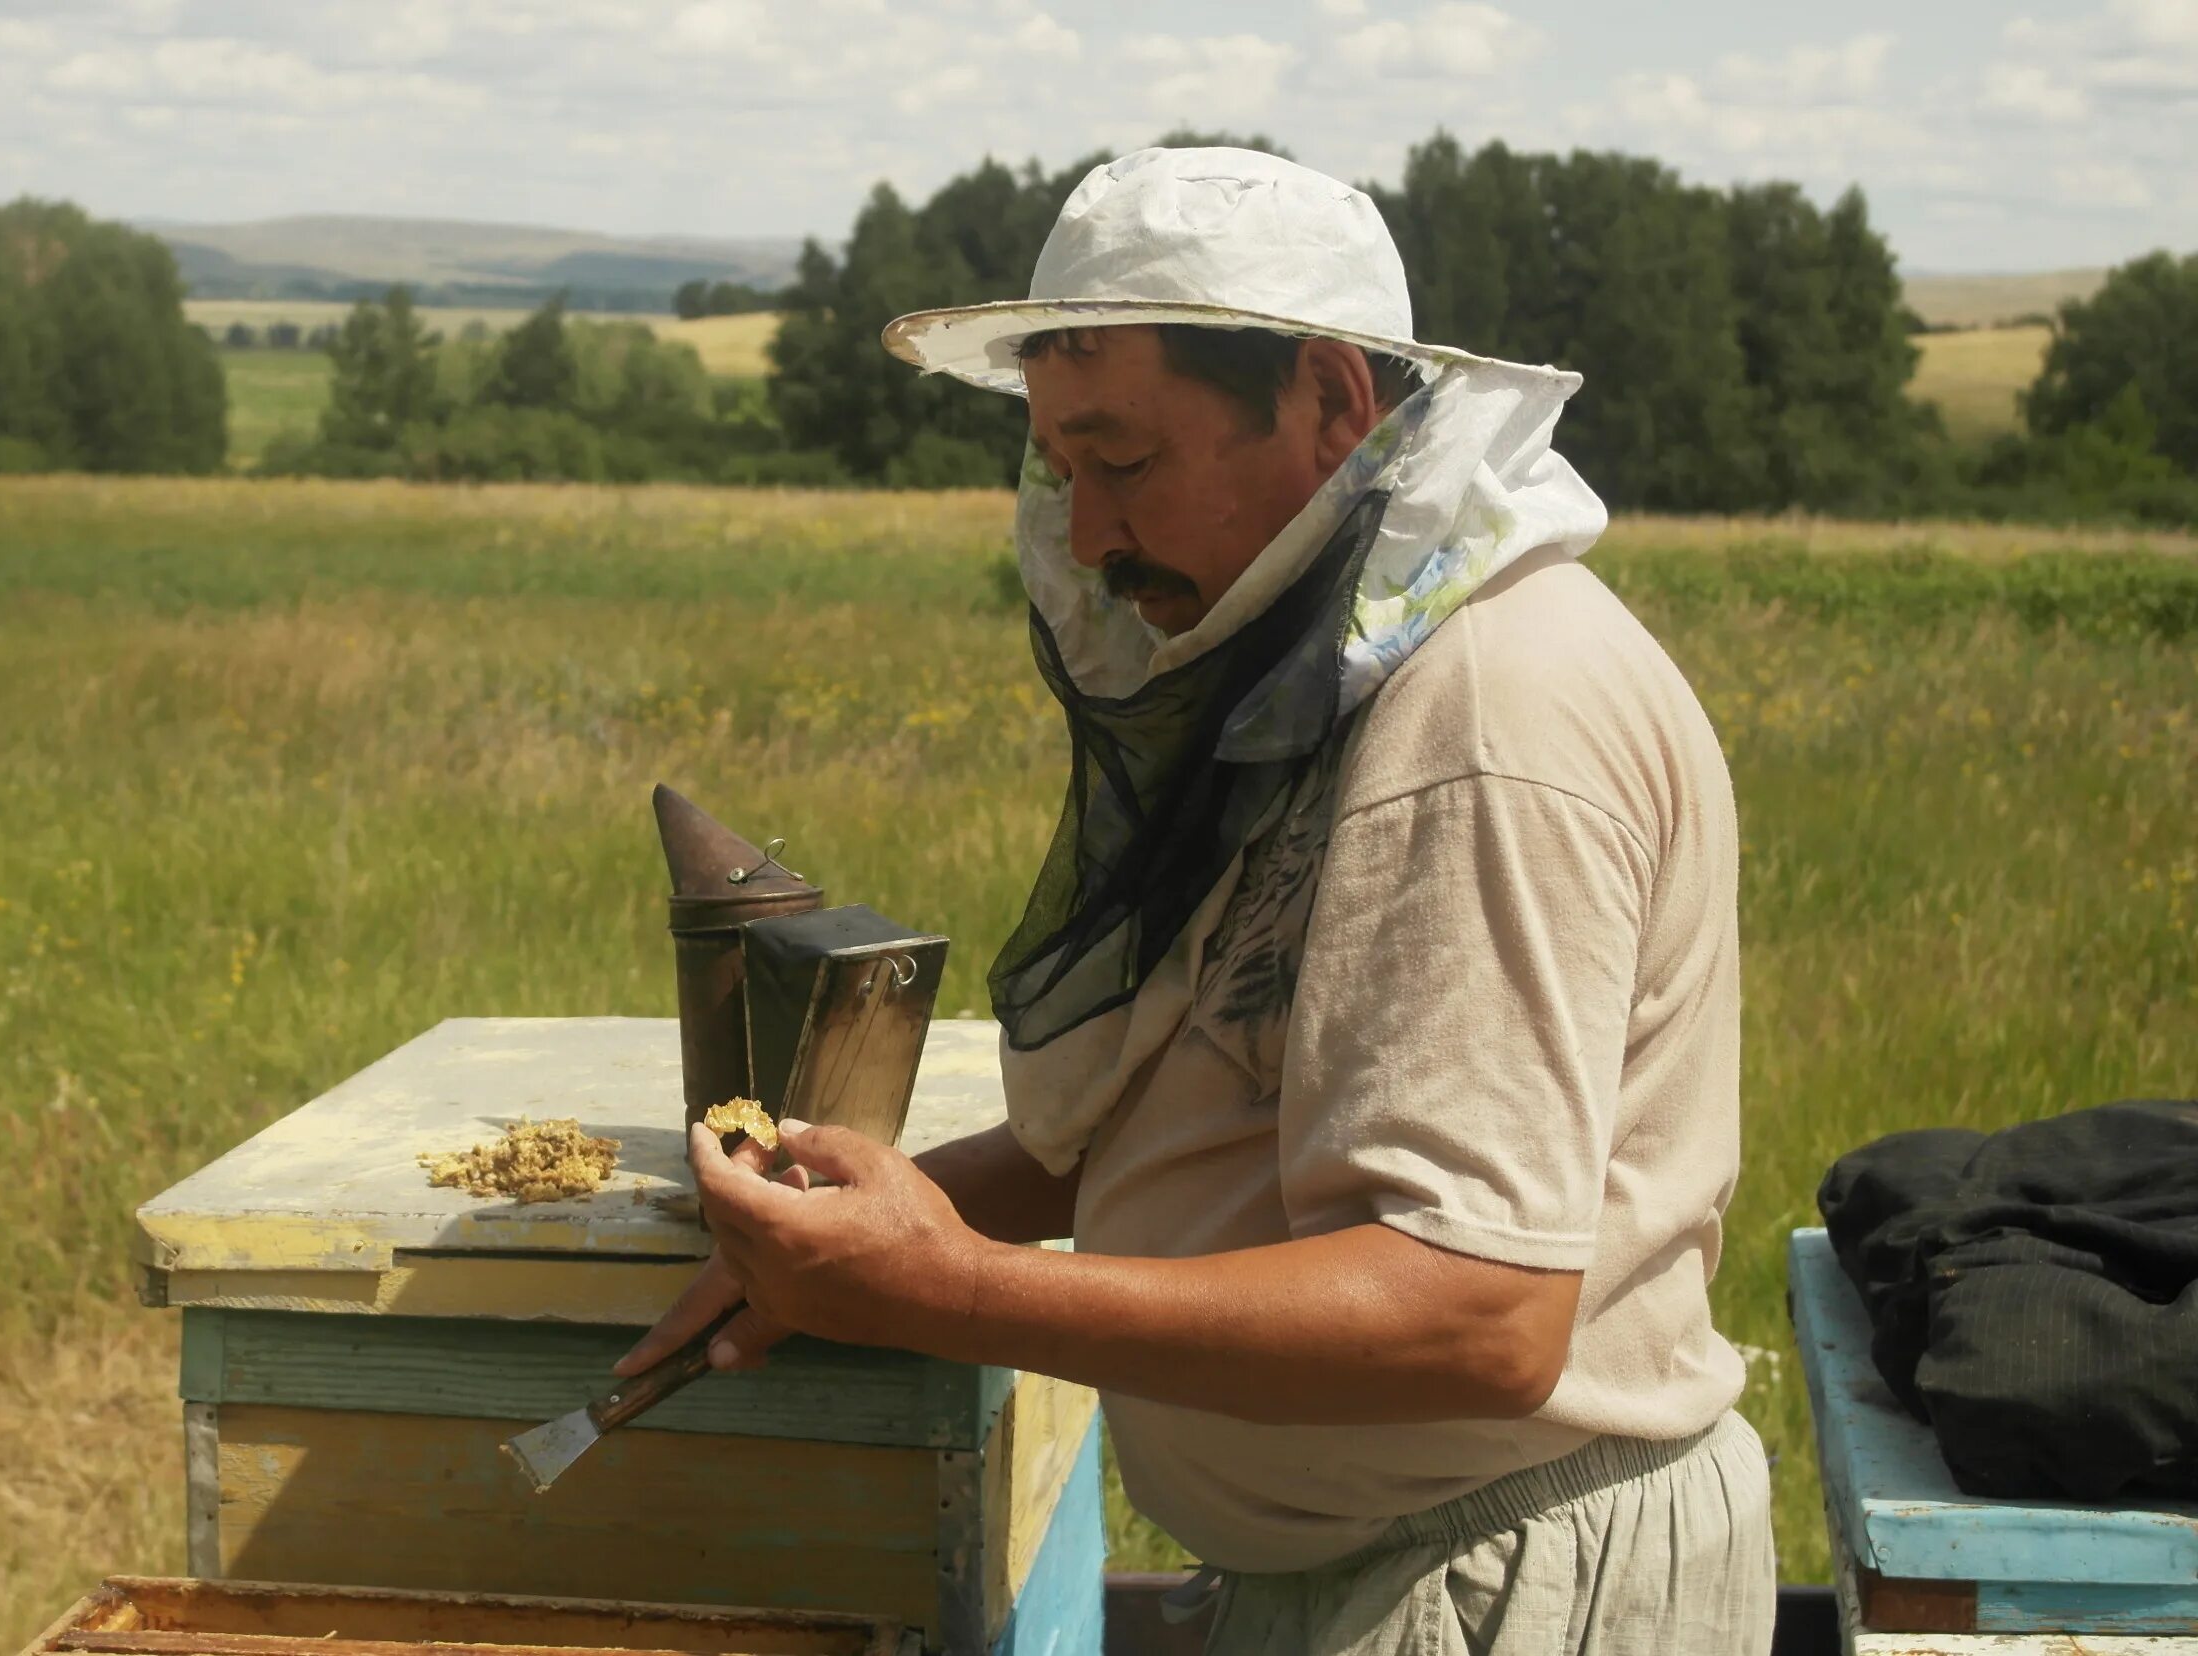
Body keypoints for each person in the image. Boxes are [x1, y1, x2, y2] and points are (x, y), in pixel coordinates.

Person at [620, 147, 1772, 1653]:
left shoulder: (1486, 716)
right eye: (1062, 468)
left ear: (1333, 404)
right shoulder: (1331, 666)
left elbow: (1475, 1312)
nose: (1088, 535)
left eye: (1129, 461)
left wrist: (946, 1290)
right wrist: (835, 1243)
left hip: (1502, 1582)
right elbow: (1192, 1102)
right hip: (1398, 1569)